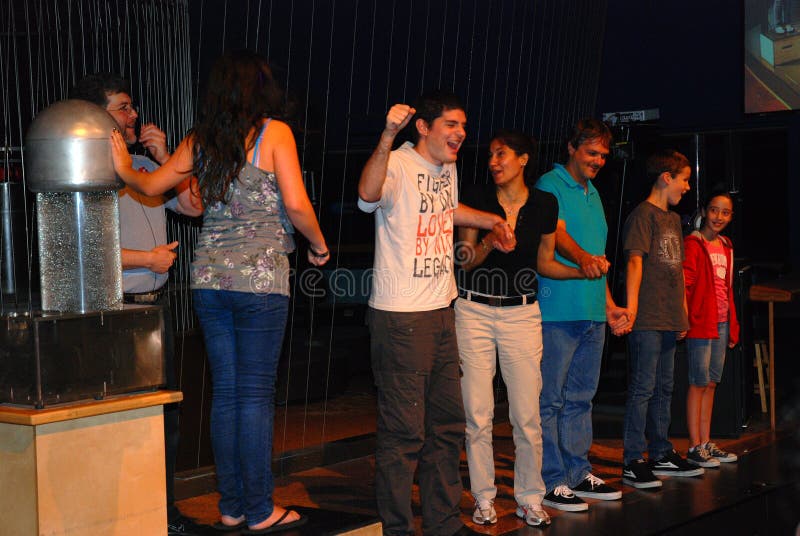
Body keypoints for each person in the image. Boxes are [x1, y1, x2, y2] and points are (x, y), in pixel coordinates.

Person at [111, 50, 329, 534]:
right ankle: (260, 510)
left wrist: (123, 164)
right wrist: (318, 244)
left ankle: (231, 507)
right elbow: (296, 204)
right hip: (259, 281)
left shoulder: (200, 138)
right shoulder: (274, 133)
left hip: (208, 280)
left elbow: (151, 184)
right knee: (254, 396)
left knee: (227, 394)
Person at [357, 91, 515, 536]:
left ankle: (444, 524)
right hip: (401, 318)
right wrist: (387, 136)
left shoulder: (447, 166)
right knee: (404, 432)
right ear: (423, 127)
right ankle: (398, 529)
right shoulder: (398, 163)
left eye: (463, 125)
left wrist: (490, 221)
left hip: (443, 311)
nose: (461, 133)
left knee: (446, 426)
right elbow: (367, 196)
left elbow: (446, 209)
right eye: (451, 124)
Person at [70, 73, 203, 536]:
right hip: (114, 310)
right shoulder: (88, 172)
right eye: (123, 107)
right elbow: (83, 248)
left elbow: (195, 207)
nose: (134, 115)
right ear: (98, 116)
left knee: (164, 417)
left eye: (132, 107)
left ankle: (164, 514)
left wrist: (166, 158)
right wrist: (147, 259)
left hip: (154, 308)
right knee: (121, 421)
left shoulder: (144, 168)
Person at [456, 129, 588, 527]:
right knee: (478, 414)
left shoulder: (545, 203)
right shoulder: (477, 197)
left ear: (524, 159)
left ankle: (530, 498)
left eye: (502, 154)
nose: (493, 162)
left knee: (527, 415)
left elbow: (544, 262)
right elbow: (464, 259)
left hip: (522, 314)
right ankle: (483, 498)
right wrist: (489, 243)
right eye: (491, 155)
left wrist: (580, 271)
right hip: (474, 311)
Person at [534, 119, 629, 512]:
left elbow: (598, 261)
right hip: (557, 311)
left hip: (591, 313)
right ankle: (550, 480)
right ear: (571, 148)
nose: (599, 160)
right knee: (550, 399)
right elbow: (557, 235)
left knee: (581, 398)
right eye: (592, 152)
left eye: (604, 155)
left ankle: (577, 472)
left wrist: (609, 306)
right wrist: (583, 258)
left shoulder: (595, 194)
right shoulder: (549, 184)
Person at [621, 148, 702, 489]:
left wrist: (682, 312)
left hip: (669, 316)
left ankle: (660, 452)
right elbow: (634, 262)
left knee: (665, 386)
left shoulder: (672, 219)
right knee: (643, 387)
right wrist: (632, 309)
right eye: (684, 179)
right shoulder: (642, 215)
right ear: (666, 178)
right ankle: (632, 459)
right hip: (647, 317)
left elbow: (677, 271)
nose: (687, 187)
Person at [683, 191, 740, 467]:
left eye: (725, 212)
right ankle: (695, 446)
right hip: (701, 322)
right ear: (705, 211)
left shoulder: (726, 245)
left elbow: (727, 289)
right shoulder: (693, 244)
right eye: (714, 210)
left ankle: (706, 442)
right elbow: (685, 284)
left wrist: (732, 324)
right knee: (698, 382)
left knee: (711, 383)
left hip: (721, 321)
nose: (719, 217)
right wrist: (685, 318)